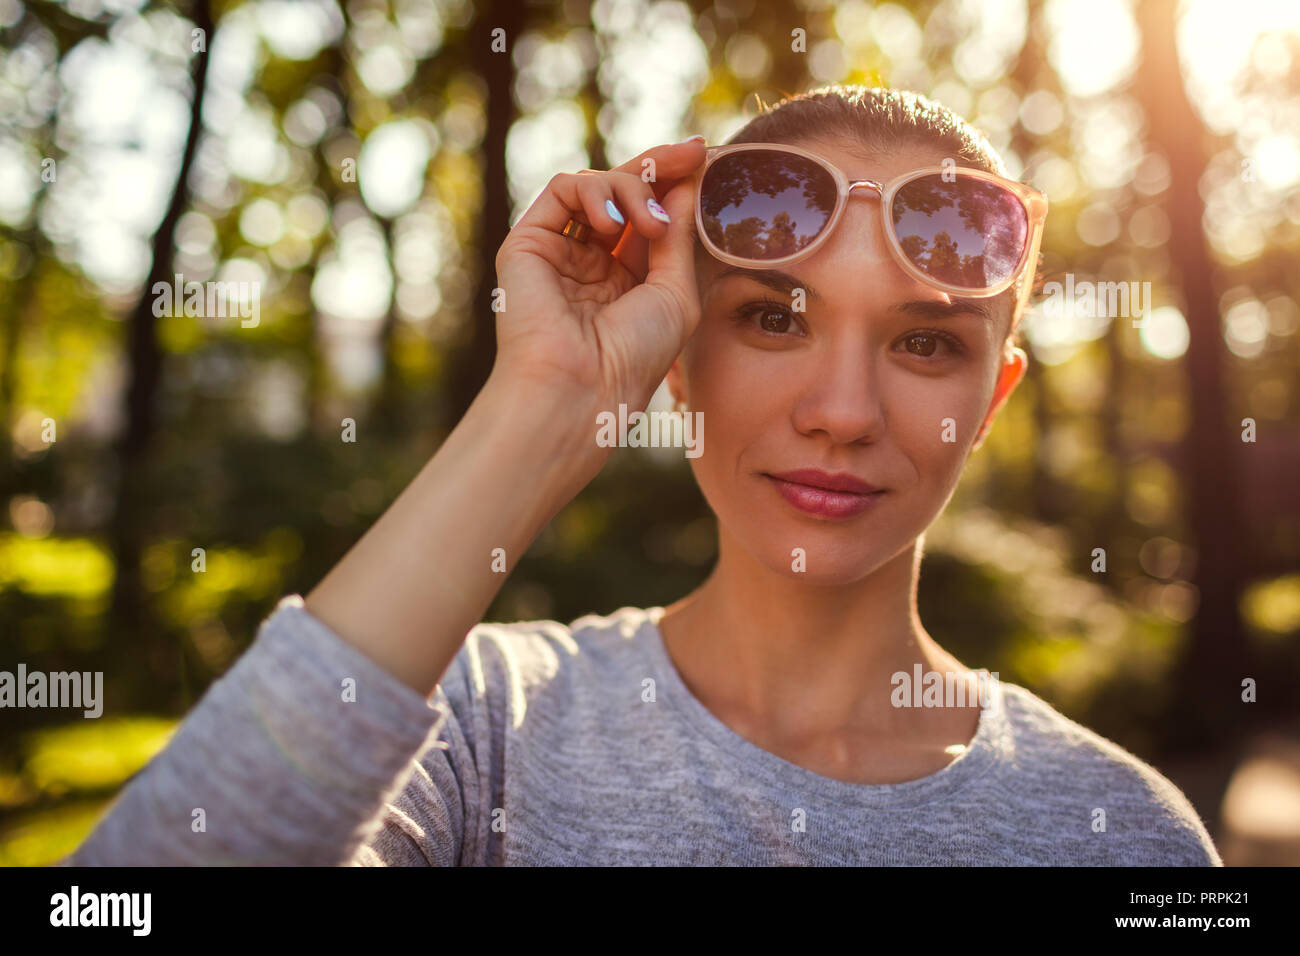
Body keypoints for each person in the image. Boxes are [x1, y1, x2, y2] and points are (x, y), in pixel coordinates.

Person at [65, 85, 1221, 866]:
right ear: (680, 361)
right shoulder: (474, 730)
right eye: (774, 318)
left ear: (990, 402)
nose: (842, 412)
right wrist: (542, 404)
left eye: (925, 342)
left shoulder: (1120, 832)